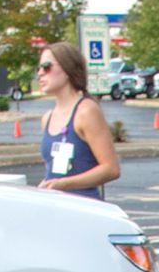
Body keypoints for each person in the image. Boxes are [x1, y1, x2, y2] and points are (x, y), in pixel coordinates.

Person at [35, 42, 120, 199]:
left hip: (84, 208)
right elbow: (52, 170)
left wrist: (64, 184)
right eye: (38, 68)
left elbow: (111, 168)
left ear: (68, 69)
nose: (40, 73)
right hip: (56, 207)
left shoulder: (86, 111)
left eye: (46, 67)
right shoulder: (47, 117)